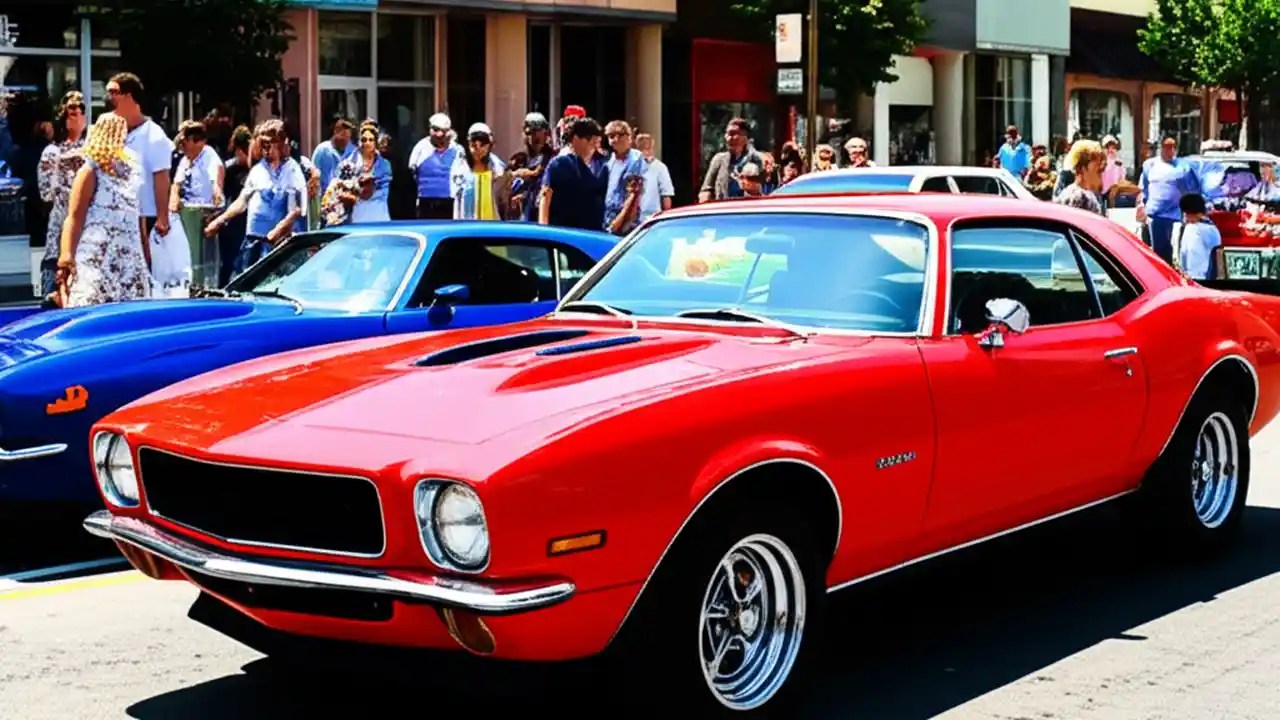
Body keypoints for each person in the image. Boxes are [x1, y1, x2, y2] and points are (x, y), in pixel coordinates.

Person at [55, 112, 151, 307]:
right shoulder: (91, 170)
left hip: (124, 256)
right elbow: (74, 217)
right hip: (99, 255)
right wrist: (66, 256)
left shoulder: (131, 173)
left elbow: (137, 216)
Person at [203, 119, 307, 275]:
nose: (266, 150)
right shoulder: (258, 170)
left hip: (278, 242)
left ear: (280, 144)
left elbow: (297, 208)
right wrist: (220, 221)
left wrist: (277, 231)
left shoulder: (291, 169)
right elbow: (242, 201)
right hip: (253, 240)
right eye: (263, 145)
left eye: (270, 144)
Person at [105, 72, 172, 249]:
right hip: (116, 219)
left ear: (129, 96)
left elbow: (161, 178)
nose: (109, 98)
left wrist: (162, 217)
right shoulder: (112, 135)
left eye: (114, 92)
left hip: (145, 218)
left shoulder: (154, 135)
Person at [37, 91, 87, 299]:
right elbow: (46, 193)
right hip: (61, 222)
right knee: (54, 281)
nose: (76, 114)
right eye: (70, 111)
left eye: (80, 110)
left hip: (88, 226)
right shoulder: (52, 151)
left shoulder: (93, 150)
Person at [1138, 136, 1202, 264]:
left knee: (1177, 253)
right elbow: (1144, 189)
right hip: (1155, 215)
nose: (1170, 150)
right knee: (1157, 253)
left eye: (1172, 147)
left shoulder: (1183, 167)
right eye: (1166, 147)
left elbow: (1193, 189)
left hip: (1175, 216)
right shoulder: (1149, 165)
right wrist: (1141, 206)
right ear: (1161, 148)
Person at [540, 117, 607, 230]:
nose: (594, 147)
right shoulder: (560, 164)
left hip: (592, 230)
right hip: (565, 229)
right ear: (576, 139)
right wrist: (543, 228)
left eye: (597, 143)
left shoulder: (601, 165)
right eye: (591, 142)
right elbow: (546, 195)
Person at [450, 122, 512, 220]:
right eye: (474, 145)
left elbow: (503, 195)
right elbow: (455, 194)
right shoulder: (460, 166)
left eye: (482, 145)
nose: (478, 149)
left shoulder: (497, 167)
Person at [408, 113, 461, 219]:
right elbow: (412, 171)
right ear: (430, 129)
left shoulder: (457, 150)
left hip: (450, 202)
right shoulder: (420, 148)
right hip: (425, 202)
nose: (439, 134)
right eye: (436, 129)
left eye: (444, 130)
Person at [698, 118, 764, 202]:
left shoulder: (758, 160)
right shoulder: (719, 160)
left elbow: (766, 190)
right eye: (727, 134)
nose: (729, 138)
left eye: (733, 134)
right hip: (725, 210)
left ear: (745, 137)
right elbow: (706, 190)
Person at [343, 120, 392, 223]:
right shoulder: (348, 163)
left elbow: (383, 191)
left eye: (371, 140)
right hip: (357, 217)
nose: (367, 143)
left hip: (379, 215)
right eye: (364, 140)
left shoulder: (384, 165)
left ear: (376, 142)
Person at [1175, 192, 1224, 280]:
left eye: (1186, 213)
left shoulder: (1209, 230)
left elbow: (1216, 255)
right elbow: (1183, 253)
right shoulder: (1188, 228)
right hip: (1188, 276)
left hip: (1203, 277)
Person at [1053, 140, 1106, 216]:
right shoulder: (1078, 197)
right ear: (1081, 169)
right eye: (1098, 171)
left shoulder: (1089, 194)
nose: (1101, 176)